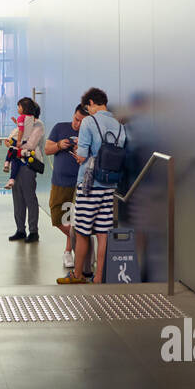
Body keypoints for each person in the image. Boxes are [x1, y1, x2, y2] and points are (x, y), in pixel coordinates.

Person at [59, 87, 127, 284]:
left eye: (87, 108)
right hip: (110, 185)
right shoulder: (119, 126)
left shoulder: (89, 121)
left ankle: (77, 275)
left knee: (81, 232)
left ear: (90, 104)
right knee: (103, 234)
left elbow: (81, 156)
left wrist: (79, 146)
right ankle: (98, 277)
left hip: (89, 185)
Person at [45, 103, 86, 270]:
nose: (77, 124)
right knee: (57, 215)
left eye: (82, 122)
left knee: (75, 218)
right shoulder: (60, 128)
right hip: (60, 181)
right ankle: (79, 241)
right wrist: (59, 145)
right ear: (73, 115)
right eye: (76, 119)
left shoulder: (88, 133)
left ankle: (69, 251)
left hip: (81, 182)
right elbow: (47, 149)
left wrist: (80, 152)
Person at [4, 97, 45, 242]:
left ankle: (33, 231)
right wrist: (10, 142)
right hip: (16, 163)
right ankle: (20, 229)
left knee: (29, 198)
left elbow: (31, 144)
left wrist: (16, 145)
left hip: (28, 164)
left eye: (19, 106)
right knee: (17, 198)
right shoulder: (21, 123)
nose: (18, 109)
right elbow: (12, 138)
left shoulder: (38, 124)